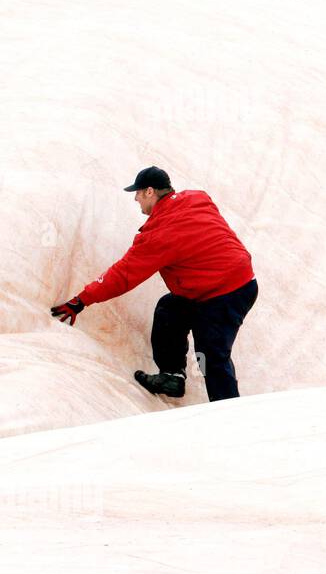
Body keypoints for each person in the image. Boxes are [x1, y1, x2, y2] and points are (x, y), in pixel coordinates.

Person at [50, 166, 258, 401]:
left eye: (137, 193)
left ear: (150, 192)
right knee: (170, 309)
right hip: (228, 284)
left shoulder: (160, 234)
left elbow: (124, 274)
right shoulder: (197, 198)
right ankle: (172, 376)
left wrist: (81, 301)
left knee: (210, 354)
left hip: (226, 293)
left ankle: (229, 413)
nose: (136, 199)